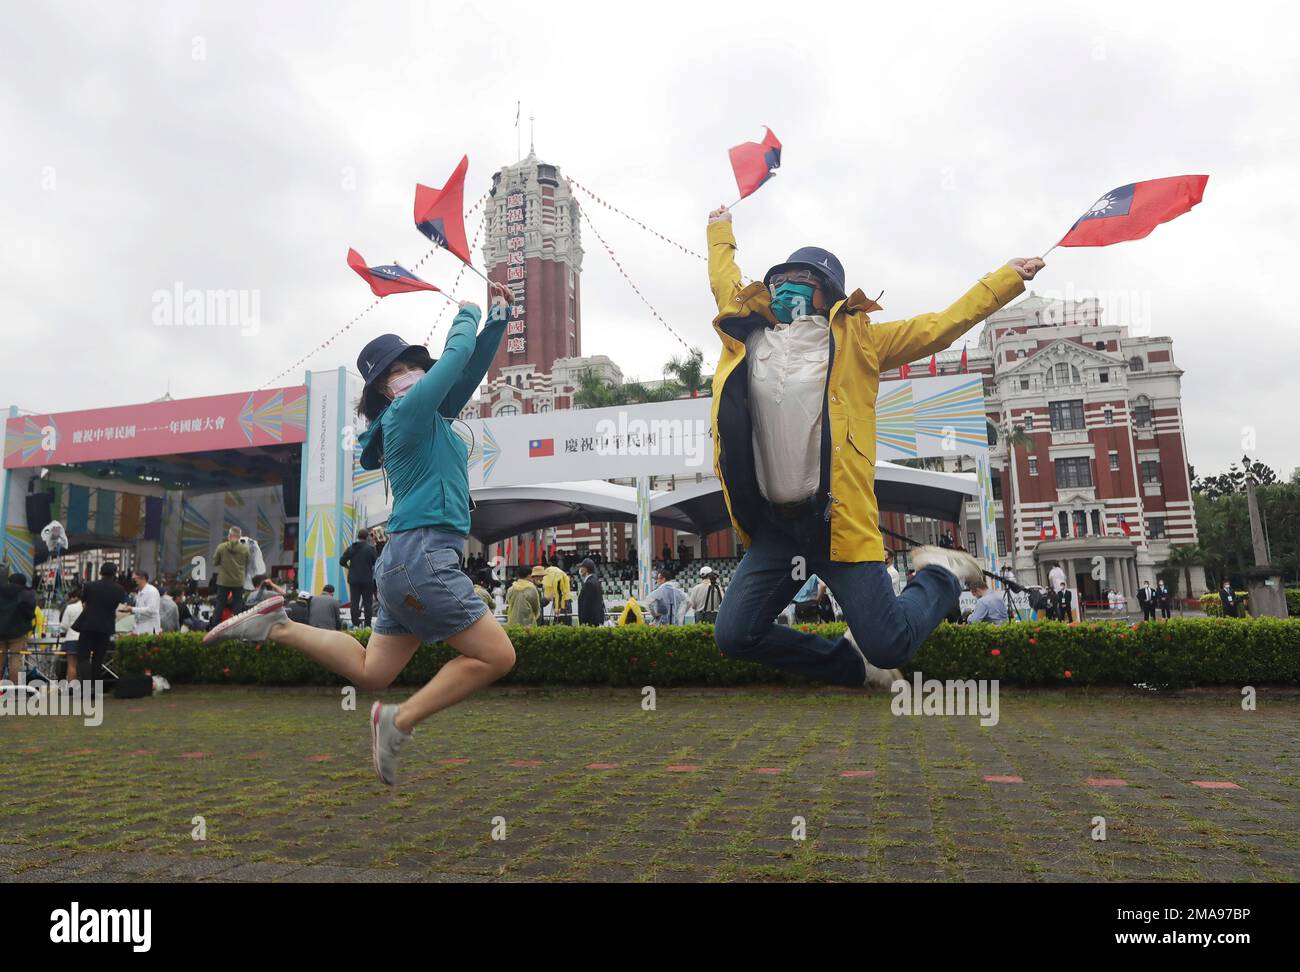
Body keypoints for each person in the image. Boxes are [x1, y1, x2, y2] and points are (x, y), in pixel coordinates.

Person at [705, 202, 1042, 687]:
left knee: (891, 643)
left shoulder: (862, 344)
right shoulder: (748, 338)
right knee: (734, 635)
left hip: (837, 521)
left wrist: (1005, 280)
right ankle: (850, 666)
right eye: (780, 278)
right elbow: (723, 278)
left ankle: (943, 573)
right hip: (777, 530)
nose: (786, 286)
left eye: (802, 278)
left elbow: (940, 326)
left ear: (828, 295)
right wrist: (720, 226)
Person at [204, 285, 517, 786]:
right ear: (382, 390)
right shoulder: (410, 414)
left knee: (374, 672)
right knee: (498, 656)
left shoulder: (426, 416)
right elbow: (456, 354)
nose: (409, 374)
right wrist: (469, 309)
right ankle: (400, 721)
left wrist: (498, 316)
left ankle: (278, 625)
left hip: (402, 560)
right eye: (396, 371)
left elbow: (468, 368)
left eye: (411, 366)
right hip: (425, 554)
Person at [75, 563, 126, 686]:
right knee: (99, 658)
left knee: (83, 657)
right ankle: (95, 688)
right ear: (115, 573)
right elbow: (118, 605)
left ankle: (86, 687)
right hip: (106, 626)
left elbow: (84, 601)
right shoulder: (119, 589)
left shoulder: (89, 586)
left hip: (88, 625)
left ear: (100, 572)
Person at [0, 573, 38, 685]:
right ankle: (13, 687)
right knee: (15, 660)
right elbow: (30, 612)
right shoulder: (26, 593)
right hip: (18, 634)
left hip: (0, 634)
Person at [339, 528, 378, 629]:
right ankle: (368, 625)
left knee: (354, 602)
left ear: (358, 537)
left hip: (354, 580)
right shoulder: (371, 549)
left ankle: (355, 624)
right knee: (367, 603)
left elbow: (341, 561)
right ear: (367, 537)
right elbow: (376, 562)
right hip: (367, 580)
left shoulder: (352, 548)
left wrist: (349, 567)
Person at [213, 527, 250, 619]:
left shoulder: (221, 547)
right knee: (238, 605)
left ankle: (214, 626)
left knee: (220, 604)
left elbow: (215, 562)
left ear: (229, 536)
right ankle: (237, 628)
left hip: (223, 580)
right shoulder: (245, 549)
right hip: (238, 581)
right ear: (239, 537)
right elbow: (248, 563)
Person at [119, 570, 161, 635]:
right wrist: (130, 610)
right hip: (139, 627)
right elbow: (140, 609)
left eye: (134, 579)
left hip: (149, 628)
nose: (132, 582)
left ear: (143, 579)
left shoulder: (151, 591)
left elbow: (151, 609)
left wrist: (132, 609)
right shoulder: (139, 591)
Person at [576, 558, 605, 626]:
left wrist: (583, 623)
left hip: (590, 622)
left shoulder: (589, 583)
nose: (580, 569)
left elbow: (587, 605)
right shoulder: (595, 580)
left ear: (586, 569)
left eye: (582, 567)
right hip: (595, 620)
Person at [543, 561, 572, 625]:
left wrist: (556, 608)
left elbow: (557, 593)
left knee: (561, 623)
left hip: (562, 603)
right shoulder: (556, 573)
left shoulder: (554, 575)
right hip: (564, 601)